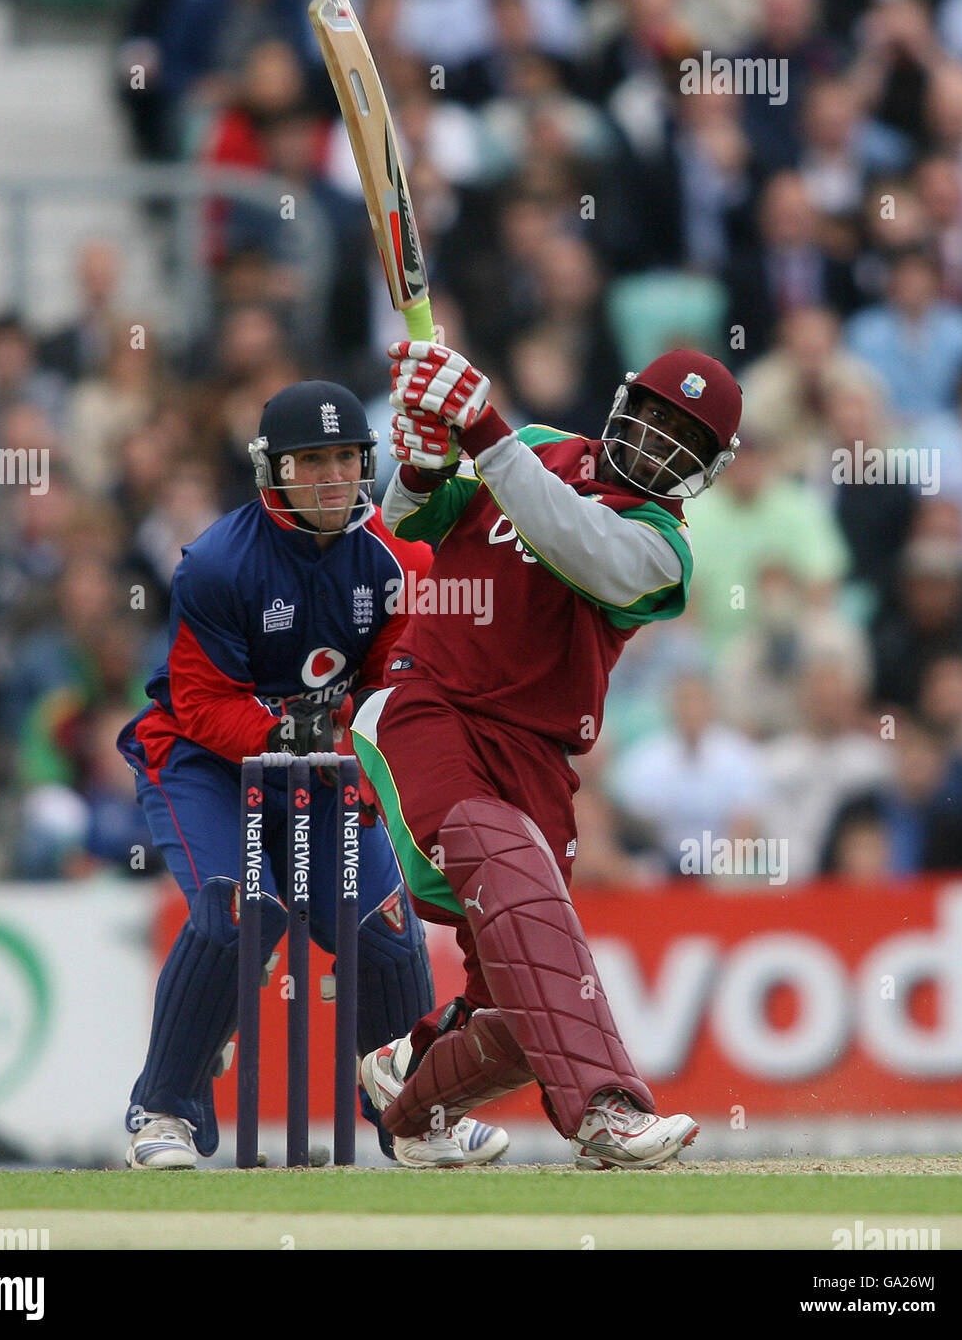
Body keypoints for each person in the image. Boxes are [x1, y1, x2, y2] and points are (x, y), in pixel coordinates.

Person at [352, 341, 742, 1168]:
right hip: (432, 710)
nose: (663, 440)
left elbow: (573, 540)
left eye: (689, 438)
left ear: (707, 470)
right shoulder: (534, 447)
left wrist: (480, 430)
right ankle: (608, 1112)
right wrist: (421, 466)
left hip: (539, 758)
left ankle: (411, 1090)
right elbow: (412, 521)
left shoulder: (661, 550)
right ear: (625, 404)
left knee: (527, 1006)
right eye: (659, 416)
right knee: (511, 873)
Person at [117, 380, 508, 1168]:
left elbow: (399, 668)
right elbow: (197, 702)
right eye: (312, 462)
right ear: (273, 470)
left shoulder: (401, 558)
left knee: (385, 928)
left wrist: (347, 726)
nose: (333, 478)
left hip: (321, 767)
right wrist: (282, 731)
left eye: (346, 459)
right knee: (238, 914)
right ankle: (163, 1109)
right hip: (201, 763)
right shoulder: (217, 567)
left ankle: (413, 1117)